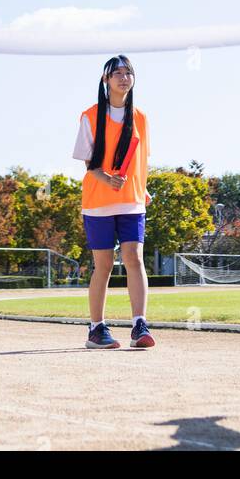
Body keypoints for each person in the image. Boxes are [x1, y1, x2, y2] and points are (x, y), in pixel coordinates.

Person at [73, 54, 155, 349]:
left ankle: (139, 325)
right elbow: (88, 164)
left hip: (132, 201)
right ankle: (96, 329)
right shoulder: (90, 115)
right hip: (98, 202)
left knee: (134, 258)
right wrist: (107, 178)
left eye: (128, 72)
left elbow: (142, 161)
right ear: (106, 80)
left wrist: (142, 188)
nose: (124, 77)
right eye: (117, 73)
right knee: (104, 265)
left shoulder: (141, 118)